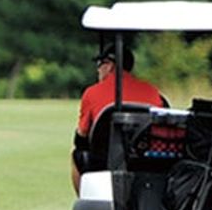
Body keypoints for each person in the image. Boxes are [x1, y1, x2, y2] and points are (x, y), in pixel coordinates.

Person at [70, 44, 164, 193]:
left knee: (76, 154)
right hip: (146, 159)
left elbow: (81, 137)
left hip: (104, 161)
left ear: (109, 65)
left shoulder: (92, 92)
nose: (98, 70)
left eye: (100, 65)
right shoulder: (152, 91)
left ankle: (86, 198)